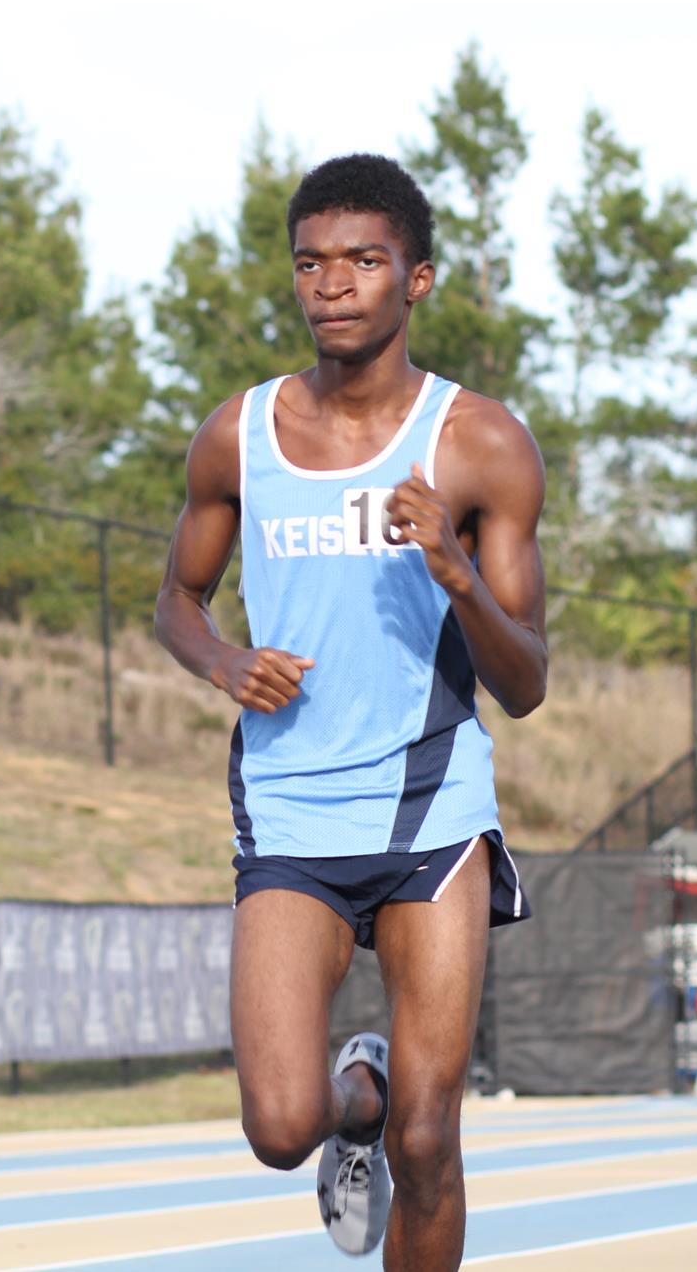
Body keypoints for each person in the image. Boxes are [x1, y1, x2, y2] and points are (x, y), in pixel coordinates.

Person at [153, 153, 546, 1268]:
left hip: (430, 809)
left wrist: (455, 574)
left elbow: (525, 682)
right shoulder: (240, 434)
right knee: (282, 1127)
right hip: (289, 808)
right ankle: (351, 1101)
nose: (331, 284)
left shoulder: (477, 443)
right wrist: (223, 661)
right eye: (310, 264)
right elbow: (174, 600)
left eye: (362, 262)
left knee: (432, 1139)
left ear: (415, 280)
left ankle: (390, 1114)